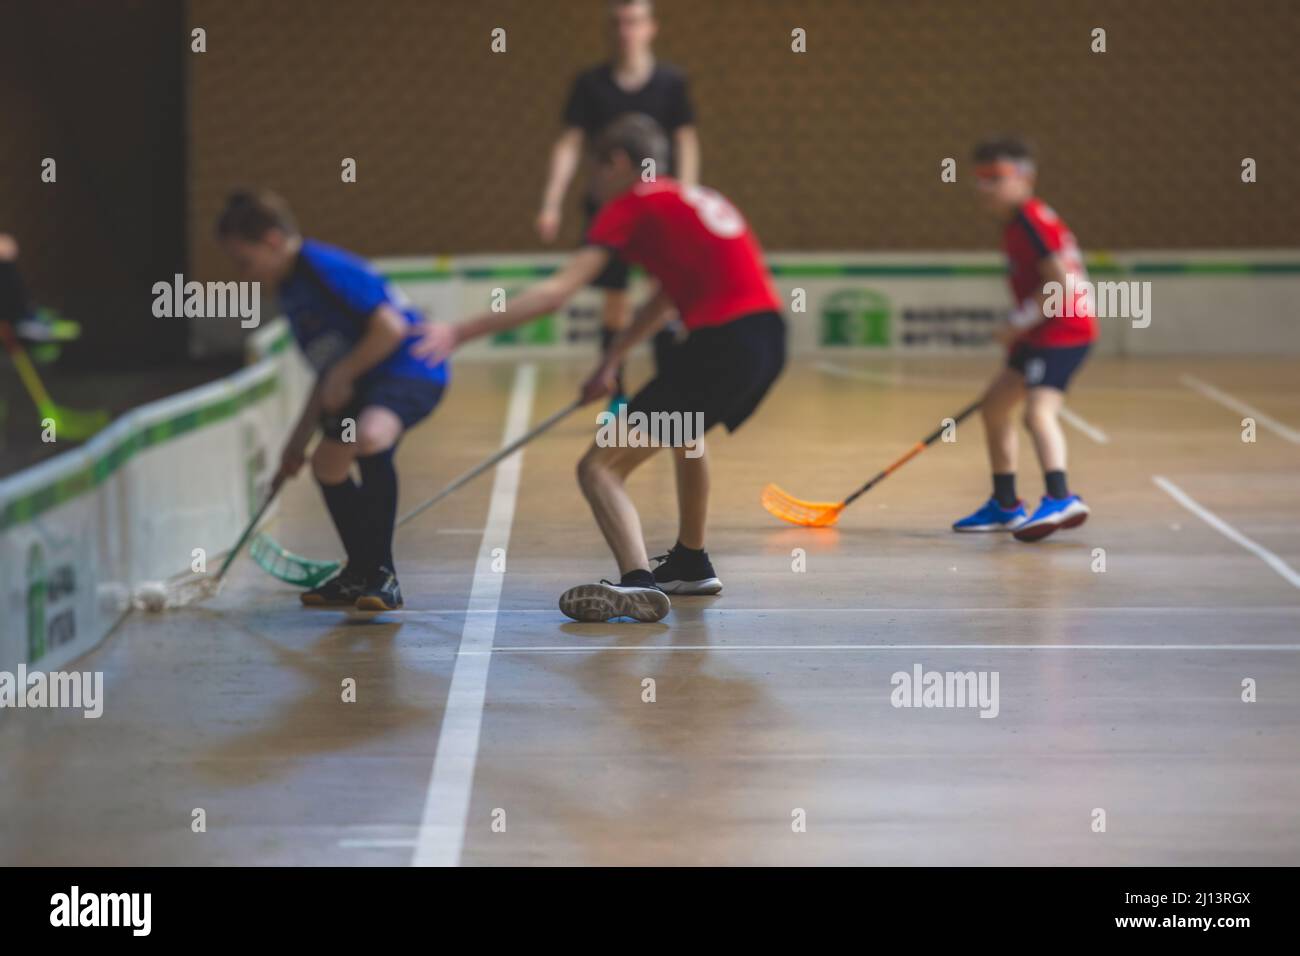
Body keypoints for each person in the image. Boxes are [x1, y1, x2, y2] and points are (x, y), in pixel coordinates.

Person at [418, 114, 784, 623]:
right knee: (686, 433)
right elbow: (665, 294)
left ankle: (636, 583)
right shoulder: (685, 198)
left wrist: (456, 333)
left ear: (615, 162)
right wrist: (612, 360)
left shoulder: (630, 206)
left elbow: (556, 292)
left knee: (597, 467)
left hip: (719, 343)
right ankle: (691, 562)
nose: (590, 185)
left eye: (593, 171)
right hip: (765, 340)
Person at [216, 190, 449, 609]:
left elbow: (390, 329)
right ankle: (359, 572)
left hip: (410, 369)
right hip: (364, 380)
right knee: (327, 462)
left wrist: (343, 374)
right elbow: (327, 373)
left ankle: (382, 576)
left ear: (271, 241)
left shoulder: (322, 267)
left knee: (370, 437)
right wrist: (295, 441)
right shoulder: (290, 289)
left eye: (244, 262)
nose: (243, 275)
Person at [535, 0, 699, 409]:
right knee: (615, 300)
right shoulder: (591, 84)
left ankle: (669, 395)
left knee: (666, 294)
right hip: (611, 206)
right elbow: (570, 143)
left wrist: (689, 194)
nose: (627, 30)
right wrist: (551, 201)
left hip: (659, 207)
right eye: (619, 22)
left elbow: (685, 140)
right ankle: (617, 397)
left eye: (635, 21)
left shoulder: (671, 81)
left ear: (651, 27)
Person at [953, 137, 1097, 542]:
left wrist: (1018, 322)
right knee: (995, 407)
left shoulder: (1032, 221)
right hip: (1041, 331)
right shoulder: (1017, 224)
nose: (985, 188)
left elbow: (1062, 285)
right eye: (980, 179)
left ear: (1026, 178)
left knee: (1038, 412)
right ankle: (1005, 505)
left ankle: (1061, 497)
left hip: (1065, 330)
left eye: (995, 178)